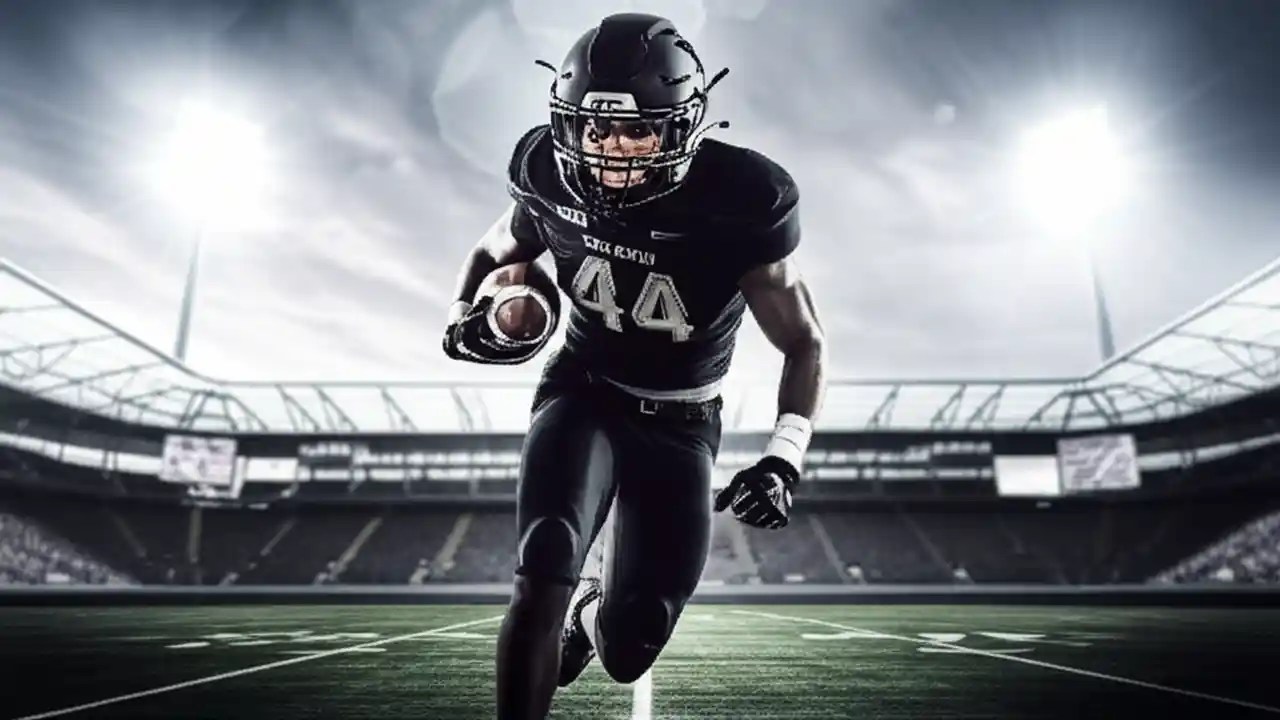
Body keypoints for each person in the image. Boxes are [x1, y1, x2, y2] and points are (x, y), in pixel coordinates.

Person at [442, 12, 826, 719]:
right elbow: (495, 253)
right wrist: (466, 315)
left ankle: (591, 617)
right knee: (544, 561)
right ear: (569, 124)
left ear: (683, 126)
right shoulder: (544, 174)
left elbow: (803, 341)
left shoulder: (743, 201)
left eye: (636, 131)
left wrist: (783, 458)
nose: (612, 150)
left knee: (631, 646)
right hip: (584, 387)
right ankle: (564, 603)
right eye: (595, 130)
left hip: (683, 420)